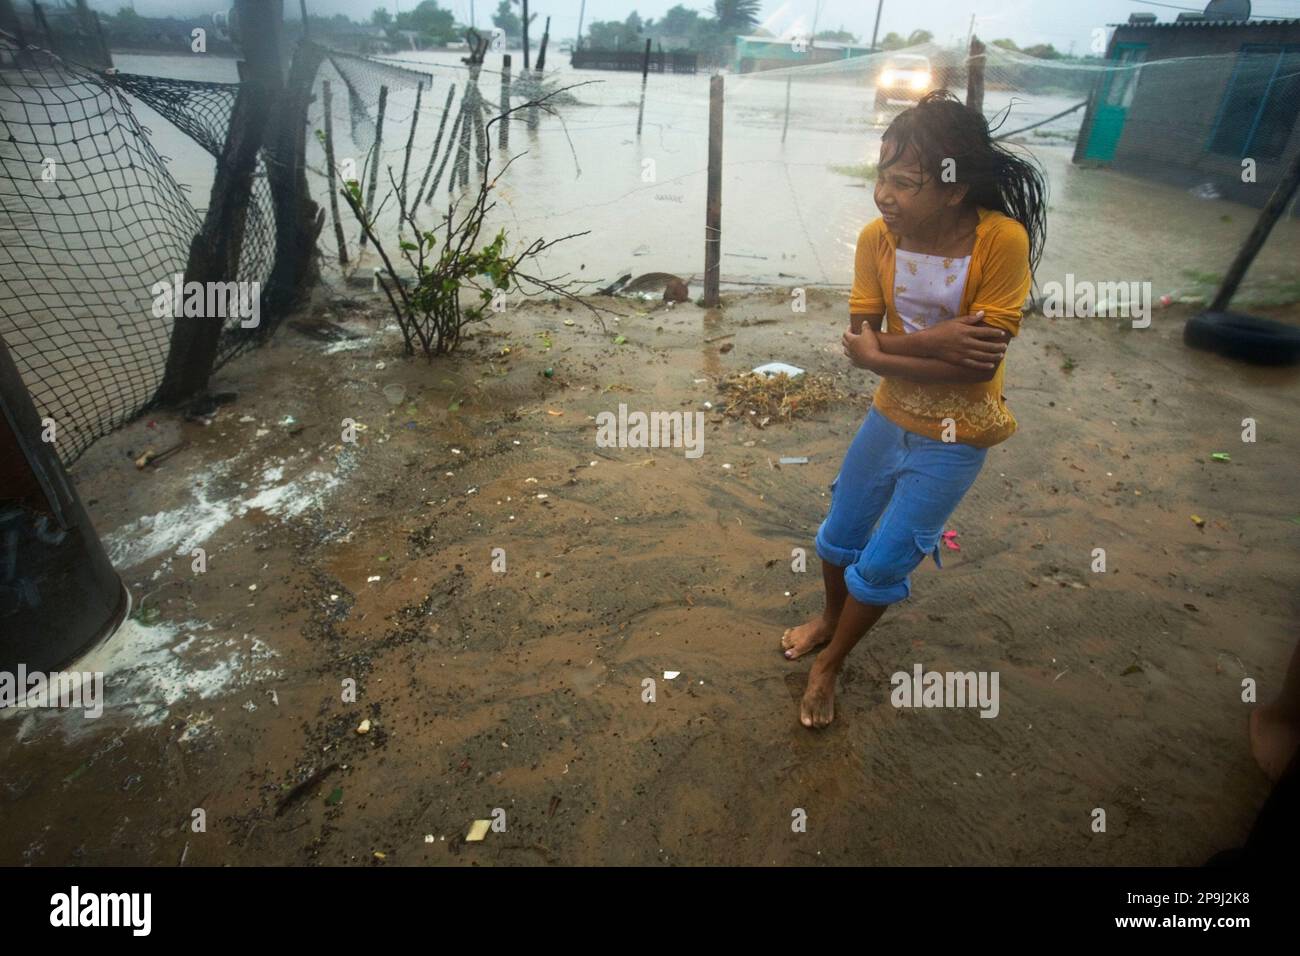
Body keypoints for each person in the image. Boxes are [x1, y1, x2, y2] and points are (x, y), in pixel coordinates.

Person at [782, 90, 1047, 729]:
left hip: (960, 438)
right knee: (838, 536)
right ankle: (826, 616)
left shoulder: (999, 241)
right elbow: (859, 338)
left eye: (906, 182)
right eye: (882, 175)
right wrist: (928, 345)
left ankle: (831, 663)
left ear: (953, 189)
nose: (884, 195)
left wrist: (885, 354)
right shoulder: (878, 239)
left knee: (882, 565)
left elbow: (977, 365)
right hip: (888, 417)